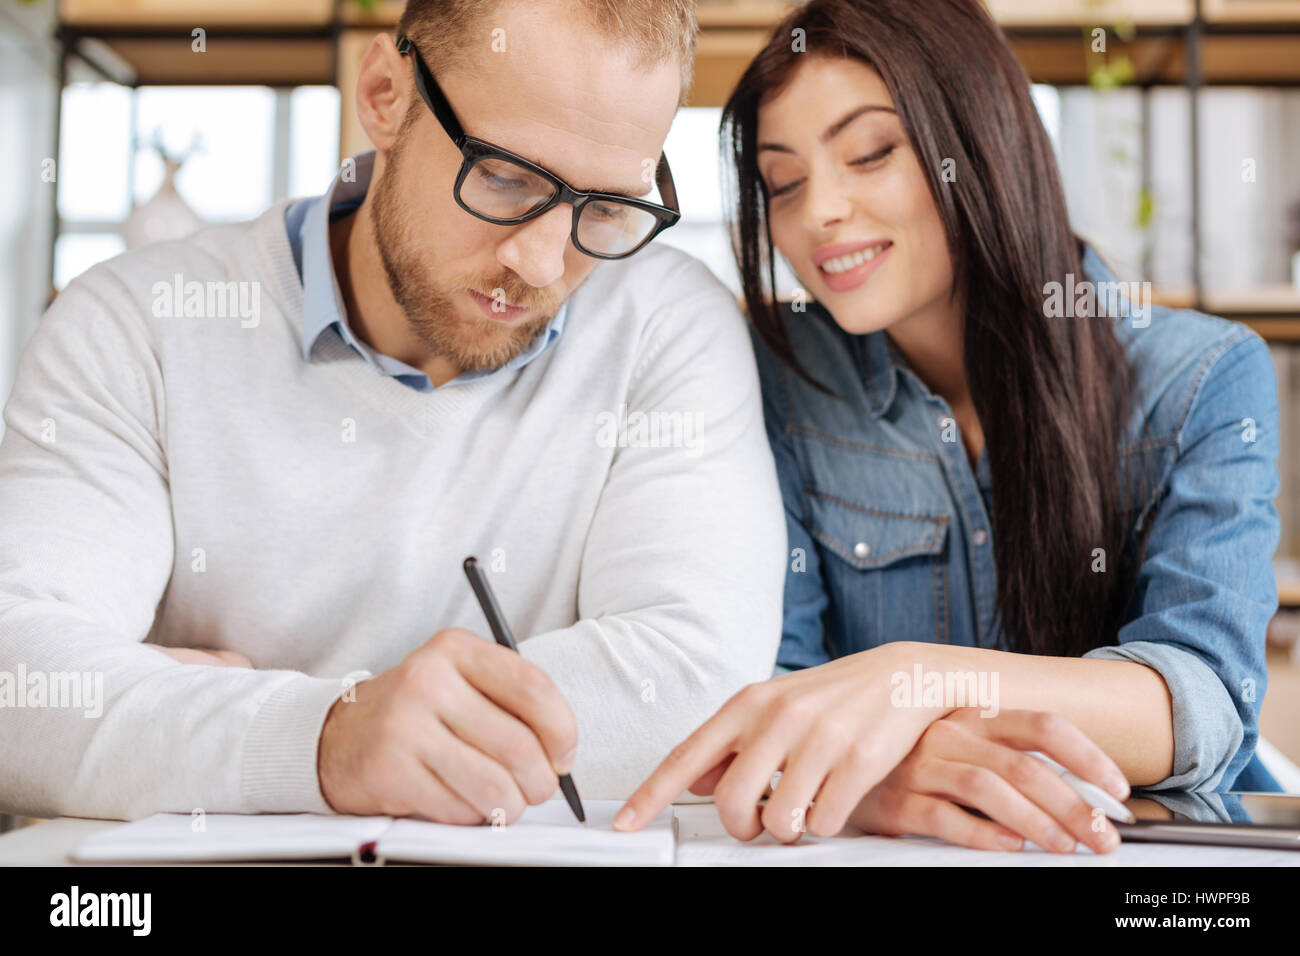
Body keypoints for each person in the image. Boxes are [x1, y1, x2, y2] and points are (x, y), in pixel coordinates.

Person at [0, 0, 785, 823]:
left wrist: (193, 727)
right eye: (506, 177)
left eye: (608, 208)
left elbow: (694, 680)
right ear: (383, 93)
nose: (544, 261)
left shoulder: (667, 324)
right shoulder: (136, 323)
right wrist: (327, 739)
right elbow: (25, 678)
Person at [615, 0, 1280, 854]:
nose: (818, 211)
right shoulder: (777, 380)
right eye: (782, 183)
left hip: (1141, 853)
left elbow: (1205, 702)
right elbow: (771, 684)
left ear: (982, 144)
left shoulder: (1200, 379)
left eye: (870, 153)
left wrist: (914, 684)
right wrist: (892, 770)